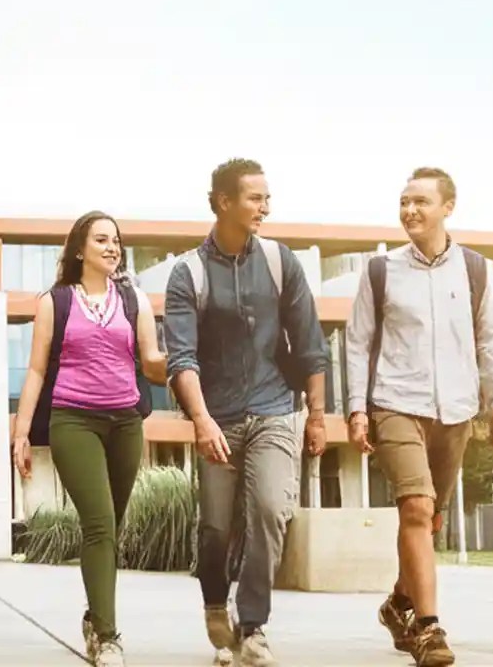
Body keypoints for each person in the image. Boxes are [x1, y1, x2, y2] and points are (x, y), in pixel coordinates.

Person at [345, 167, 493, 667]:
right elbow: (357, 343)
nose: (409, 210)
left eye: (420, 201)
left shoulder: (475, 270)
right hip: (396, 402)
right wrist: (357, 407)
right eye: (404, 201)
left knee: (431, 520)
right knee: (417, 510)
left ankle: (399, 601)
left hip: (457, 410)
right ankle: (428, 628)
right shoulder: (381, 271)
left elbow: (492, 340)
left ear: (448, 207)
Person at [164, 158, 330, 667]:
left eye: (266, 198)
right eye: (256, 198)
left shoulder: (281, 262)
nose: (265, 207)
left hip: (275, 409)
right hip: (218, 416)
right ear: (224, 202)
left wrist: (317, 415)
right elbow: (181, 359)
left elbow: (310, 345)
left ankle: (253, 626)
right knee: (215, 528)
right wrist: (202, 421)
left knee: (271, 510)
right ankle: (216, 600)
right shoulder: (188, 273)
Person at [11, 211, 167, 667]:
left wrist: (188, 361)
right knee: (99, 524)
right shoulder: (55, 302)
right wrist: (21, 433)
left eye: (116, 240)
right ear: (80, 249)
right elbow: (36, 370)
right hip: (74, 420)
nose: (112, 247)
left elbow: (151, 360)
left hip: (125, 423)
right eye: (101, 239)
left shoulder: (134, 298)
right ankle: (108, 637)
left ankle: (95, 615)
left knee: (111, 528)